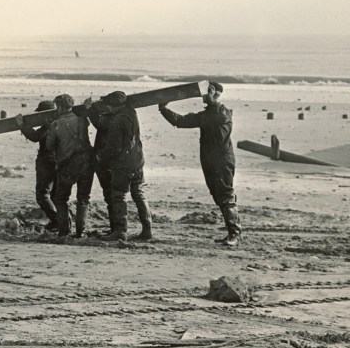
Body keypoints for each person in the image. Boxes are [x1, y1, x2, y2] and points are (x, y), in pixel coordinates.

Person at [159, 81, 239, 245]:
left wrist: (211, 99)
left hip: (222, 160)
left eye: (205, 93)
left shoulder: (221, 113)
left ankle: (235, 234)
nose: (202, 96)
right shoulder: (208, 114)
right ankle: (232, 233)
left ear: (214, 93)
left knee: (225, 195)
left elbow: (190, 120)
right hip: (210, 160)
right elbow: (181, 121)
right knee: (218, 196)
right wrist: (163, 109)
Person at [86, 91, 151, 242]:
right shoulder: (131, 113)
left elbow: (113, 148)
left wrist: (100, 157)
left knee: (119, 196)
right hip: (137, 160)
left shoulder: (116, 121)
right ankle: (147, 230)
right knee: (139, 194)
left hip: (123, 164)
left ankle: (120, 231)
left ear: (111, 106)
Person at [36, 93, 94, 238]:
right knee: (83, 198)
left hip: (69, 163)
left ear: (60, 107)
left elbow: (49, 145)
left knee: (61, 198)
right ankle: (81, 232)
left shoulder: (57, 124)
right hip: (88, 161)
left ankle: (64, 231)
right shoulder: (82, 120)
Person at [20, 100, 61, 229]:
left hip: (47, 161)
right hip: (61, 161)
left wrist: (22, 125)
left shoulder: (49, 126)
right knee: (55, 195)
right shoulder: (63, 123)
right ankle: (60, 221)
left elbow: (34, 136)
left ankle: (58, 221)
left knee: (42, 195)